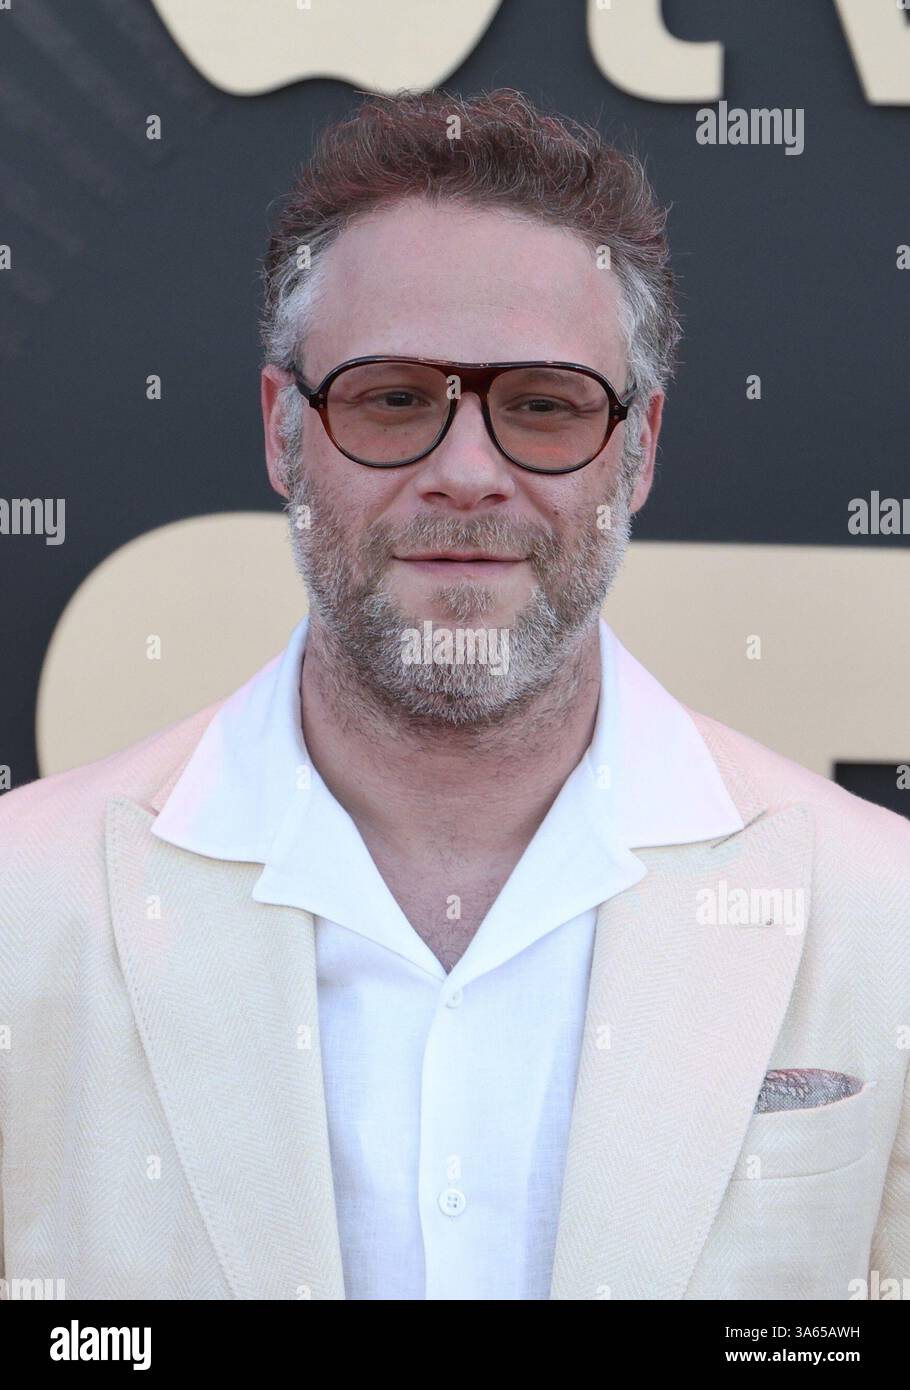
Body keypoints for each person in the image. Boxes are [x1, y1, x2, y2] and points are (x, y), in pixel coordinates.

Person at [1, 88, 908, 1302]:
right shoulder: (22, 910)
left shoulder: (879, 921)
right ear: (283, 433)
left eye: (542, 405)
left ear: (636, 452)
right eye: (392, 398)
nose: (467, 472)